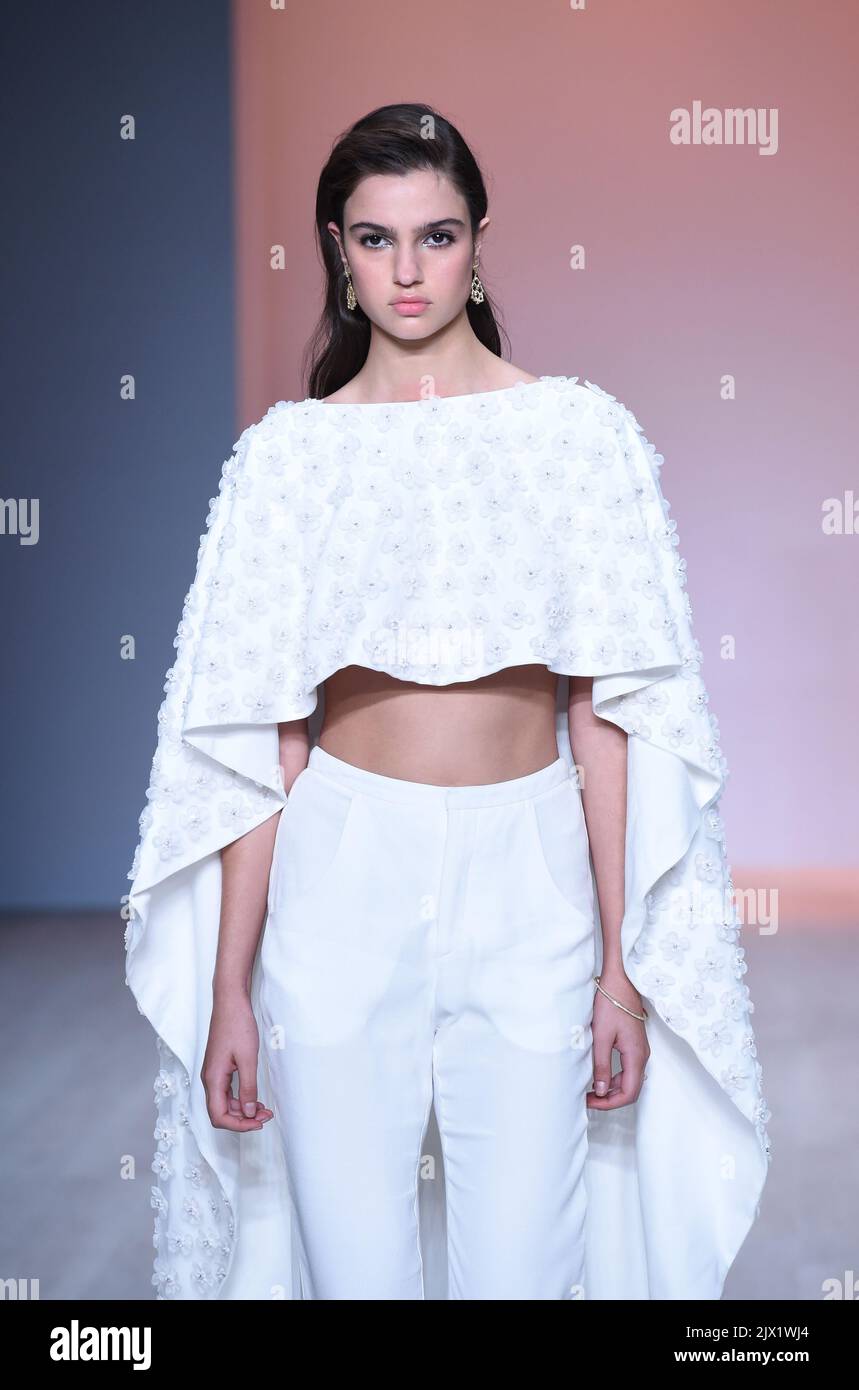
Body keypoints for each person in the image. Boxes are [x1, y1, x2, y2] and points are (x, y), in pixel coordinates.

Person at [124, 102, 771, 1301]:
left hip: (529, 867)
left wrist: (621, 972)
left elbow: (608, 712)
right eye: (376, 240)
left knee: (525, 1274)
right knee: (353, 1274)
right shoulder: (288, 456)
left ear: (479, 244)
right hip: (341, 867)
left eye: (436, 235)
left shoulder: (577, 436)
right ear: (337, 250)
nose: (407, 269)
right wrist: (228, 989)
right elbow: (264, 737)